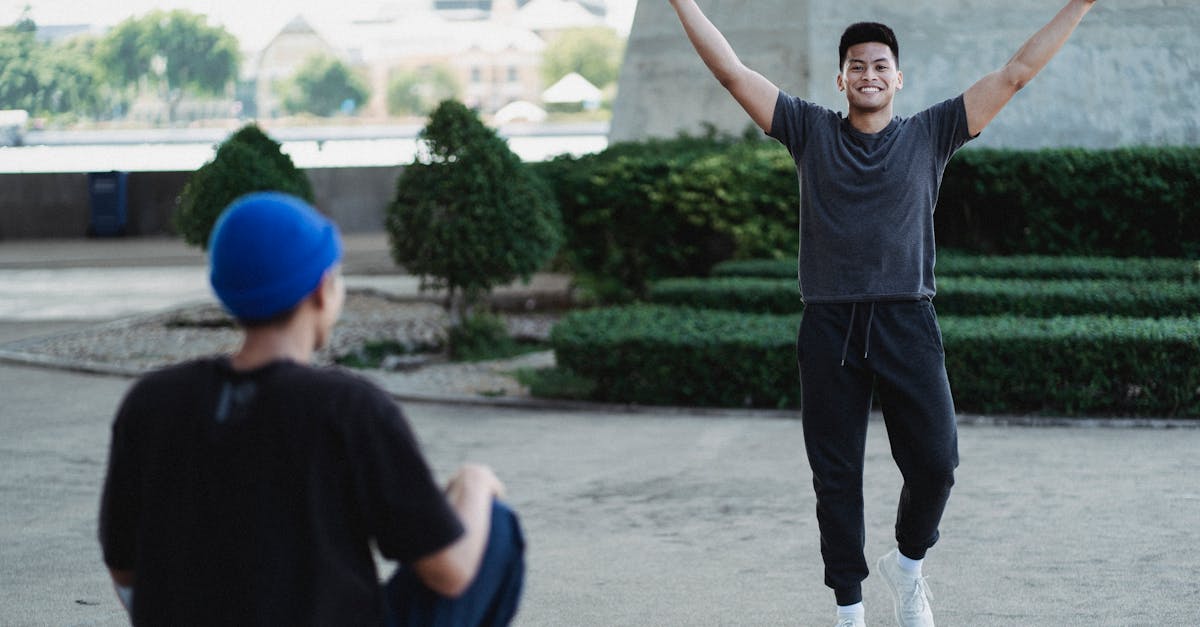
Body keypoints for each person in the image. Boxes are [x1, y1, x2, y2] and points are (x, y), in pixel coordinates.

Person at [668, 1, 1097, 625]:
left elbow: (1015, 73)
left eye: (880, 65)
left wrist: (1081, 3)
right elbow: (733, 72)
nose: (868, 74)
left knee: (937, 463)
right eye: (856, 66)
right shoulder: (809, 130)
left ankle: (909, 565)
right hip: (830, 325)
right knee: (835, 476)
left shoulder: (931, 133)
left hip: (907, 320)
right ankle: (849, 609)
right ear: (841, 80)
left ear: (899, 79)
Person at [98, 191, 525, 626]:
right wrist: (474, 481)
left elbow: (125, 569)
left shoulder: (152, 401)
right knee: (494, 523)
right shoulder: (349, 408)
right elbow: (450, 572)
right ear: (322, 292)